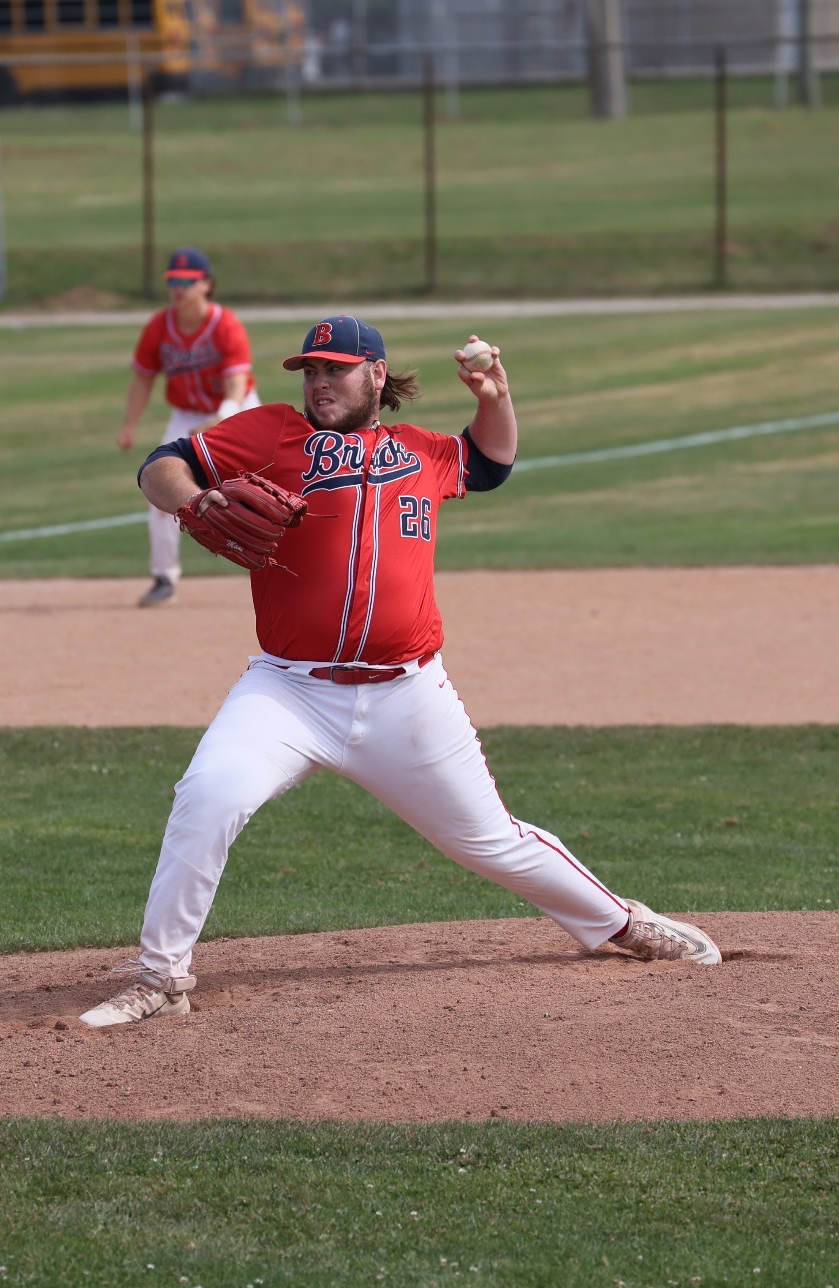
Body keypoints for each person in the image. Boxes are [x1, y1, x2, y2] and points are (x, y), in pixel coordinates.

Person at [80, 316, 720, 1028]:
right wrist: (193, 498)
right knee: (207, 793)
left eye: (336, 369)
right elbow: (161, 463)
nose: (320, 383)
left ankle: (621, 922)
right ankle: (159, 978)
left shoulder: (423, 451)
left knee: (491, 841)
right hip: (289, 689)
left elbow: (492, 461)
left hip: (408, 697)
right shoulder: (268, 434)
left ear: (376, 375)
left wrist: (492, 395)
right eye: (311, 371)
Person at [116, 247, 259, 607]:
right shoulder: (158, 328)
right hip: (186, 415)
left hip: (237, 408)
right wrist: (129, 425)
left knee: (270, 488)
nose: (178, 288)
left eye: (186, 281)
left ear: (206, 285)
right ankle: (164, 577)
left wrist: (224, 414)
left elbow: (237, 381)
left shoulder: (225, 325)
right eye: (172, 281)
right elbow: (143, 379)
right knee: (162, 484)